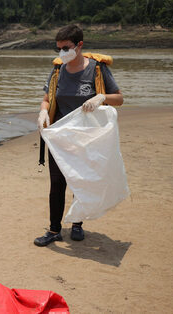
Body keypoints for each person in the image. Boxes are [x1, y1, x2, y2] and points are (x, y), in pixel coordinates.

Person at [34, 24, 123, 246]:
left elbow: (119, 98)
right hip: (60, 136)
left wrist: (101, 97)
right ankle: (54, 230)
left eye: (66, 48)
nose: (62, 53)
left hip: (86, 138)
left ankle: (77, 224)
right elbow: (47, 98)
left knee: (80, 180)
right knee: (57, 183)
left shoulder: (97, 70)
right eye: (59, 49)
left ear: (79, 45)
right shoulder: (57, 71)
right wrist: (43, 111)